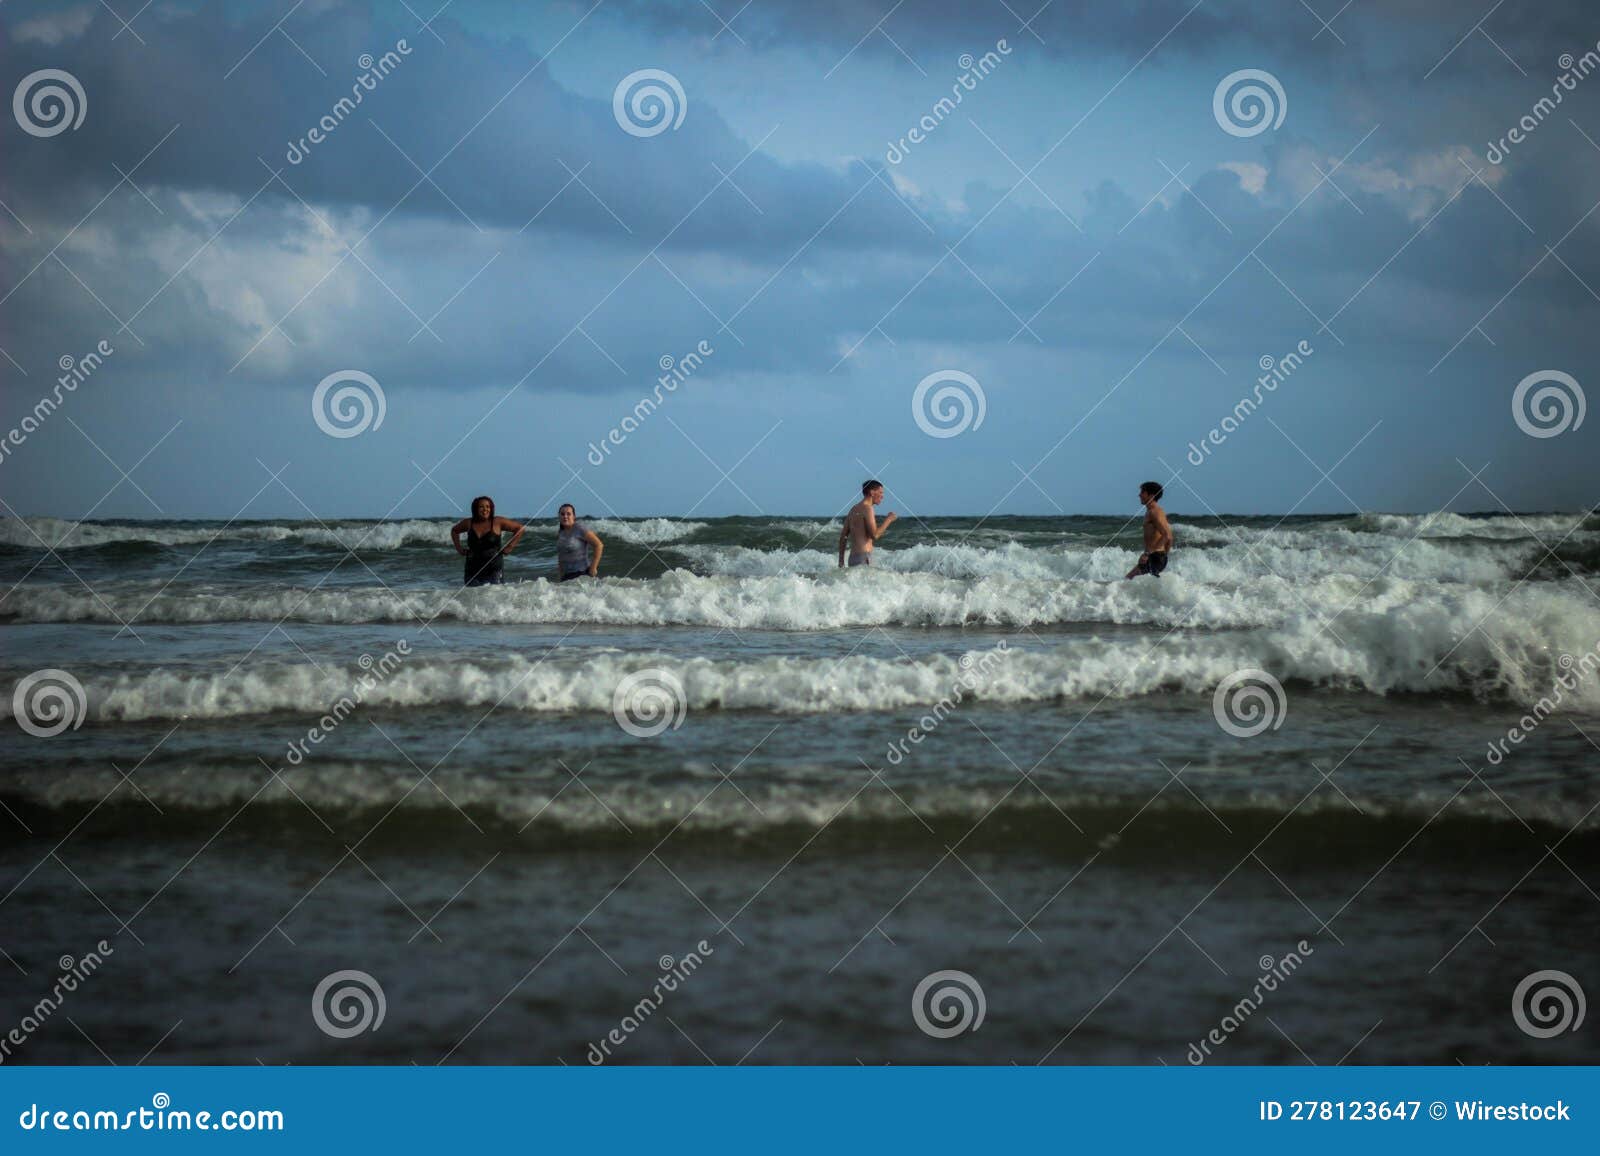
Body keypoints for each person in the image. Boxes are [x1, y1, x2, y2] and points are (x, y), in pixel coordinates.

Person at [452, 496, 524, 586]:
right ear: (476, 509)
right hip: (472, 570)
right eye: (481, 507)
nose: (485, 509)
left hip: (494, 569)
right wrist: (459, 548)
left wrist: (510, 546)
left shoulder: (497, 521)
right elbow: (454, 530)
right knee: (472, 594)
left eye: (488, 507)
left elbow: (520, 528)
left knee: (495, 593)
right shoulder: (469, 522)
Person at [838, 479, 897, 568]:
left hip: (852, 559)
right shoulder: (868, 508)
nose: (882, 496)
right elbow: (875, 535)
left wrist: (841, 560)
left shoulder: (853, 509)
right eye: (880, 492)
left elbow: (843, 536)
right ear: (872, 492)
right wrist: (889, 519)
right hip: (864, 558)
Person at [1126, 481, 1173, 578]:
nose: (1139, 495)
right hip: (1156, 556)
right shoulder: (1154, 511)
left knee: (1126, 581)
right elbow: (1170, 538)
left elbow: (1166, 535)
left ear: (1151, 495)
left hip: (1154, 557)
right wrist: (1163, 556)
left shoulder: (1154, 512)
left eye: (1142, 492)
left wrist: (1148, 554)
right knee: (1131, 582)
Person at [556, 503, 604, 580]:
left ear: (574, 516)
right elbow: (561, 555)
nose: (565, 516)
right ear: (559, 516)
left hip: (581, 574)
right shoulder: (561, 532)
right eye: (562, 514)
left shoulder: (579, 528)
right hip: (566, 576)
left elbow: (598, 545)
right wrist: (560, 574)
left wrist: (593, 567)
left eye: (568, 514)